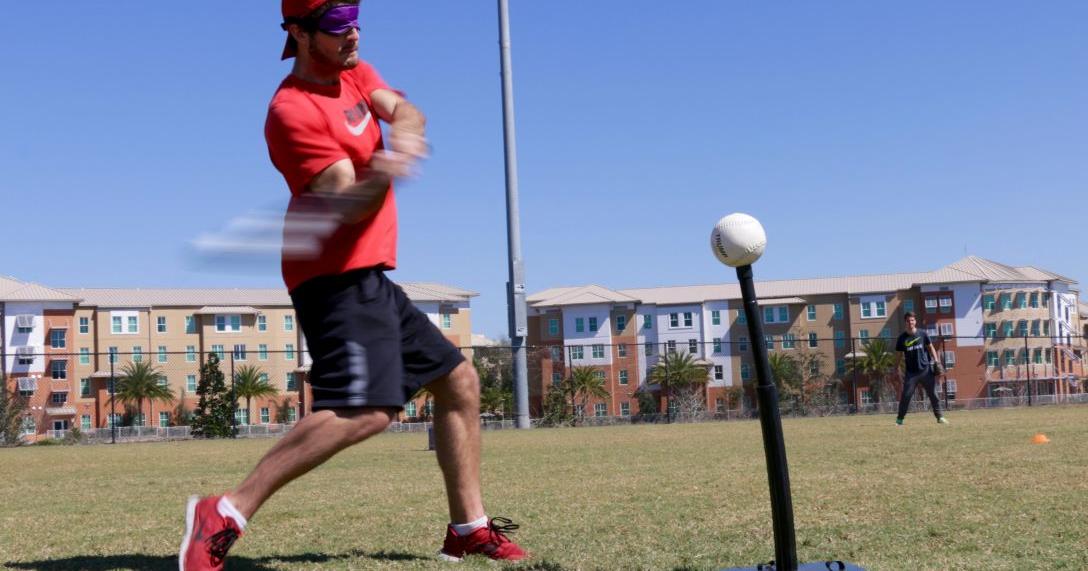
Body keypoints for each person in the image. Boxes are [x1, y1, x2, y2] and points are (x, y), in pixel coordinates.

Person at [178, 2, 527, 568]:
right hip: (332, 275)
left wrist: (407, 136)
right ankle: (226, 511)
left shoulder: (352, 71)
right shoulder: (291, 112)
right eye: (338, 28)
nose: (352, 36)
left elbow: (403, 109)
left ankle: (469, 528)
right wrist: (383, 172)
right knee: (366, 410)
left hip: (368, 273)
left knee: (459, 380)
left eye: (355, 23)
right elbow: (346, 201)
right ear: (299, 33)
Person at [894, 312, 949, 426]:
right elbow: (899, 355)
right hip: (911, 373)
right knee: (906, 396)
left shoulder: (923, 334)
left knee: (933, 394)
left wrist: (936, 361)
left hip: (926, 370)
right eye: (908, 321)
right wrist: (895, 368)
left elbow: (931, 348)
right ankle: (900, 419)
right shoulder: (902, 338)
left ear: (915, 321)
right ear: (905, 322)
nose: (910, 323)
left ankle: (940, 417)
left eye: (912, 320)